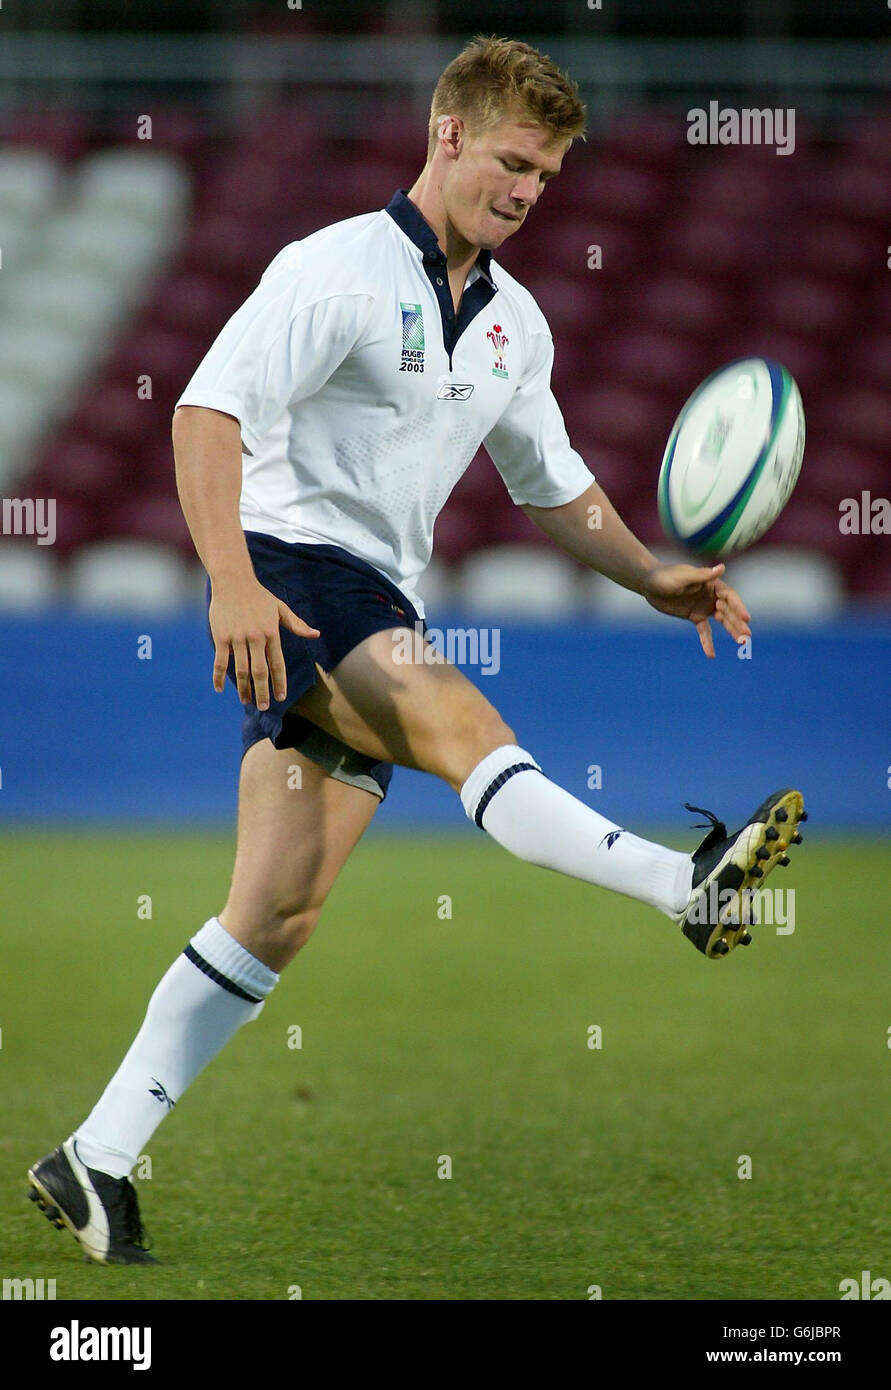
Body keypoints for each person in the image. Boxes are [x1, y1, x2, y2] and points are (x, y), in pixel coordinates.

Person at [28, 35, 804, 1265]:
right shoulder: (333, 270)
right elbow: (204, 410)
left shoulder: (518, 326)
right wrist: (228, 579)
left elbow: (556, 488)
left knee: (276, 913)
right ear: (447, 135)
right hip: (291, 573)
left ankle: (95, 1157)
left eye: (546, 177)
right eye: (510, 162)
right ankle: (683, 886)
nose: (526, 193)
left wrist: (654, 574)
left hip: (375, 589)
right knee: (464, 726)